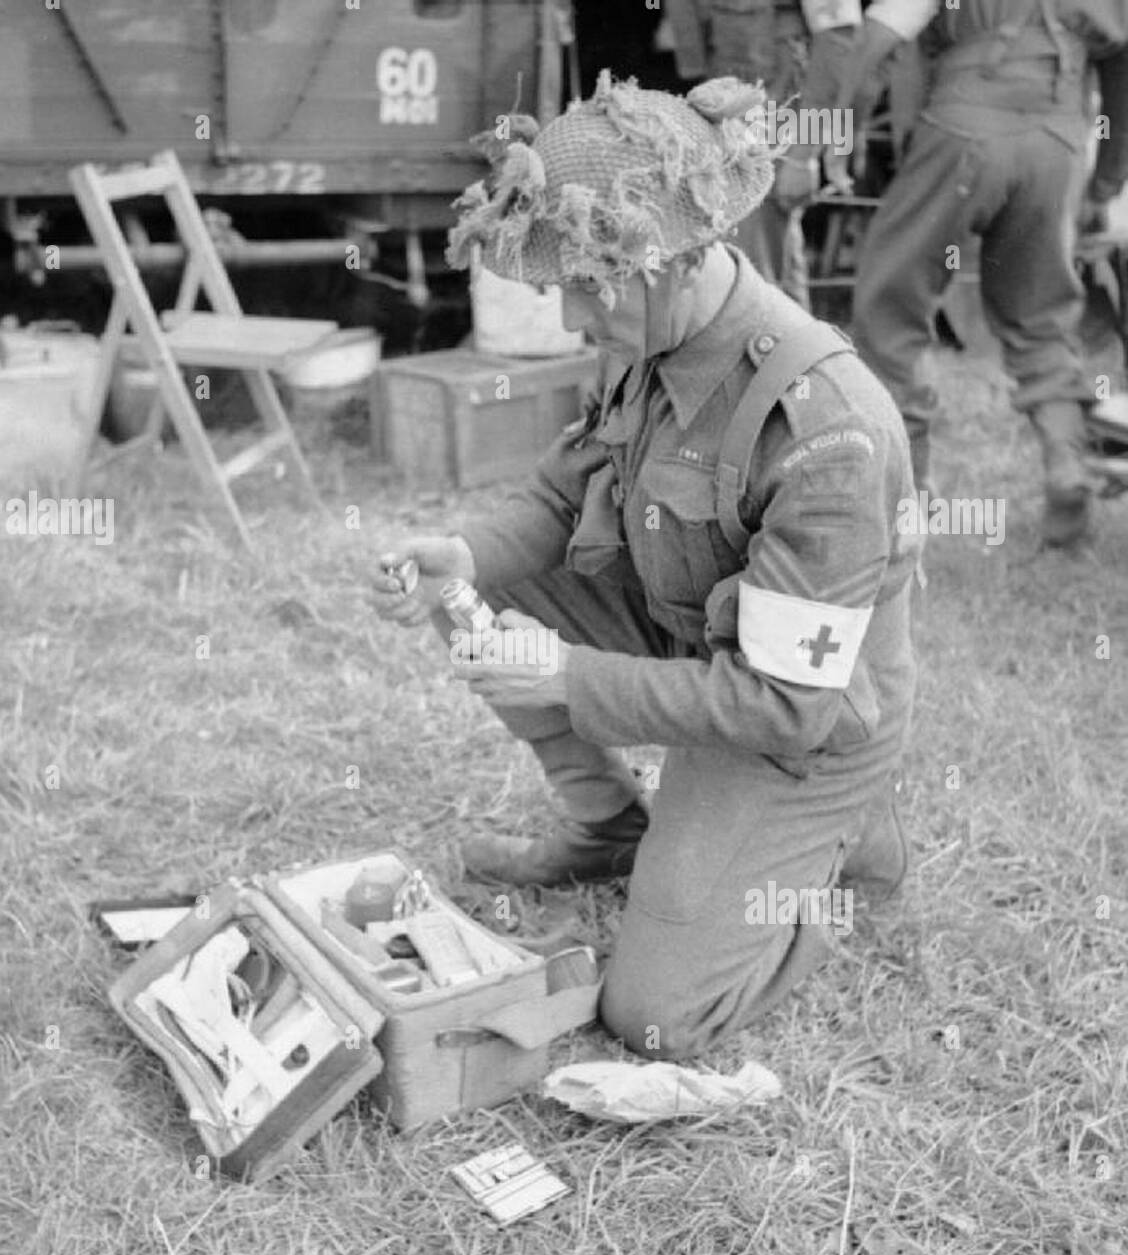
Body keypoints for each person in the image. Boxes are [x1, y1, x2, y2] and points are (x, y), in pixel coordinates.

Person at [370, 73, 921, 1057]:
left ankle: (831, 848)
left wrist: (569, 678)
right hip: (694, 639)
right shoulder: (643, 332)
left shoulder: (827, 428)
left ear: (670, 257)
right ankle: (613, 829)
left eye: (585, 285)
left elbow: (785, 705)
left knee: (654, 1015)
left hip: (804, 723)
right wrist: (460, 556)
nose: (574, 316)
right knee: (481, 594)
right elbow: (554, 496)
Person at [833, 0, 1128, 545]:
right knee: (1043, 317)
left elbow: (878, 38)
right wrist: (1104, 186)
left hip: (961, 129)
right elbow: (1120, 70)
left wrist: (831, 134)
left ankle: (908, 500)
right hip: (1057, 144)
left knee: (891, 307)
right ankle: (1065, 469)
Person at [662, 0, 867, 305]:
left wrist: (804, 155)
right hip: (727, 95)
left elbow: (839, 43)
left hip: (777, 95)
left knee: (759, 259)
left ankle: (785, 348)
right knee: (745, 252)